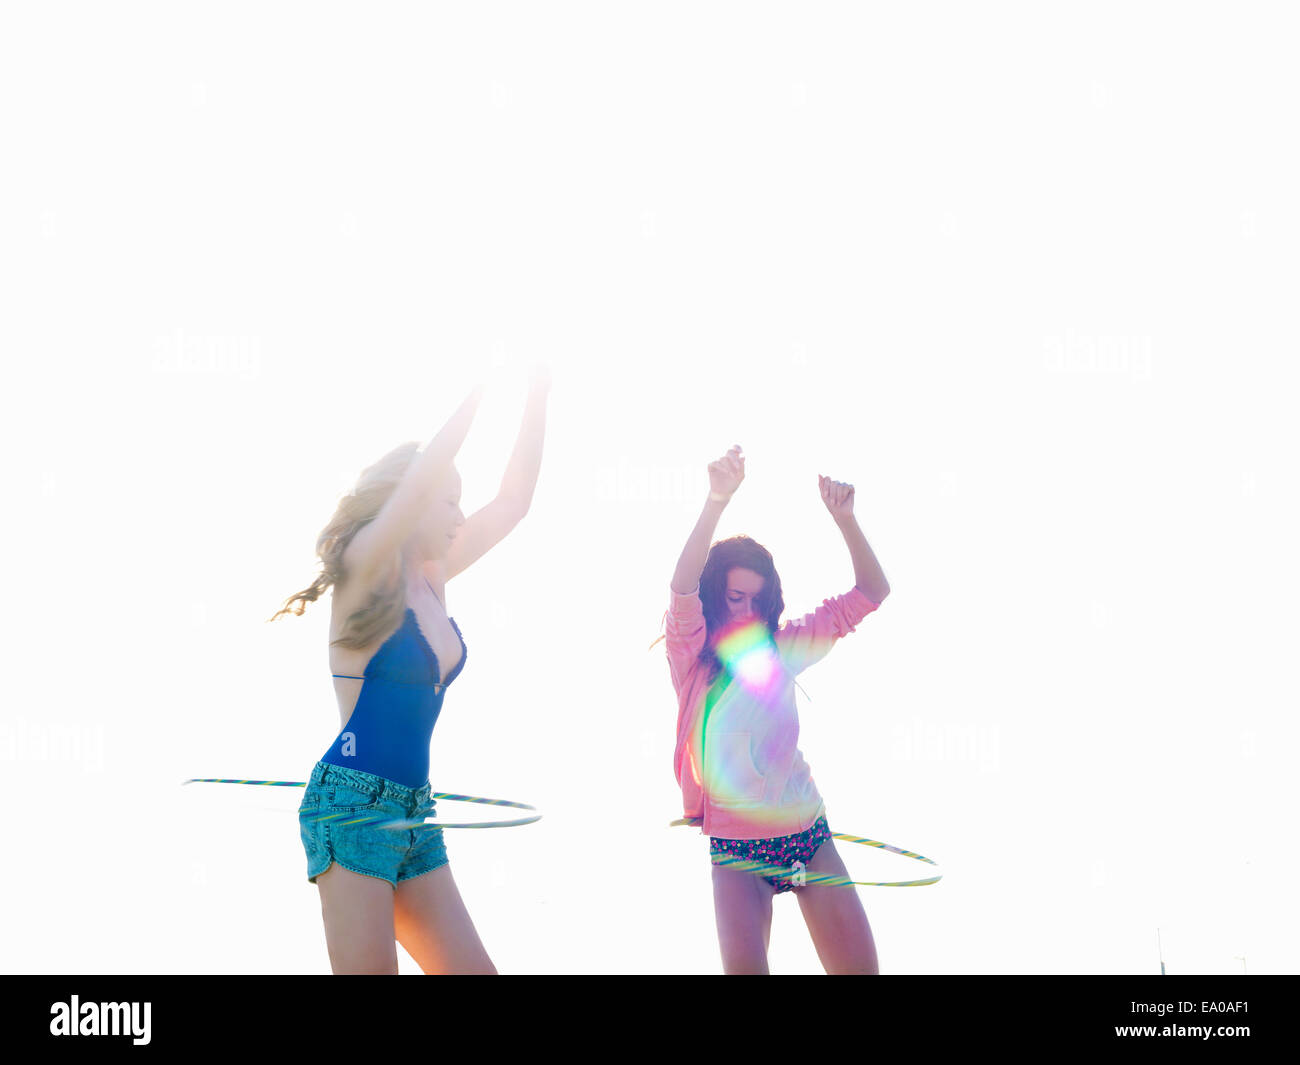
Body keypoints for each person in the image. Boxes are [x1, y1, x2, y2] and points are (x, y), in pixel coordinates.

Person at [271, 370, 549, 974]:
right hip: (349, 810)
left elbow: (515, 502)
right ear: (414, 499)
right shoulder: (364, 565)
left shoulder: (434, 575)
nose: (459, 513)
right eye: (447, 500)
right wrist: (482, 384)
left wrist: (537, 386)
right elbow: (425, 475)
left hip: (414, 814)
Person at [664, 444, 890, 974]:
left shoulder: (785, 648)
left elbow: (873, 591)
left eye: (756, 599)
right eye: (733, 597)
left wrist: (847, 520)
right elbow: (680, 589)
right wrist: (715, 502)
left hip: (806, 834)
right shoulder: (692, 657)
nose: (745, 609)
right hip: (736, 851)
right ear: (716, 596)